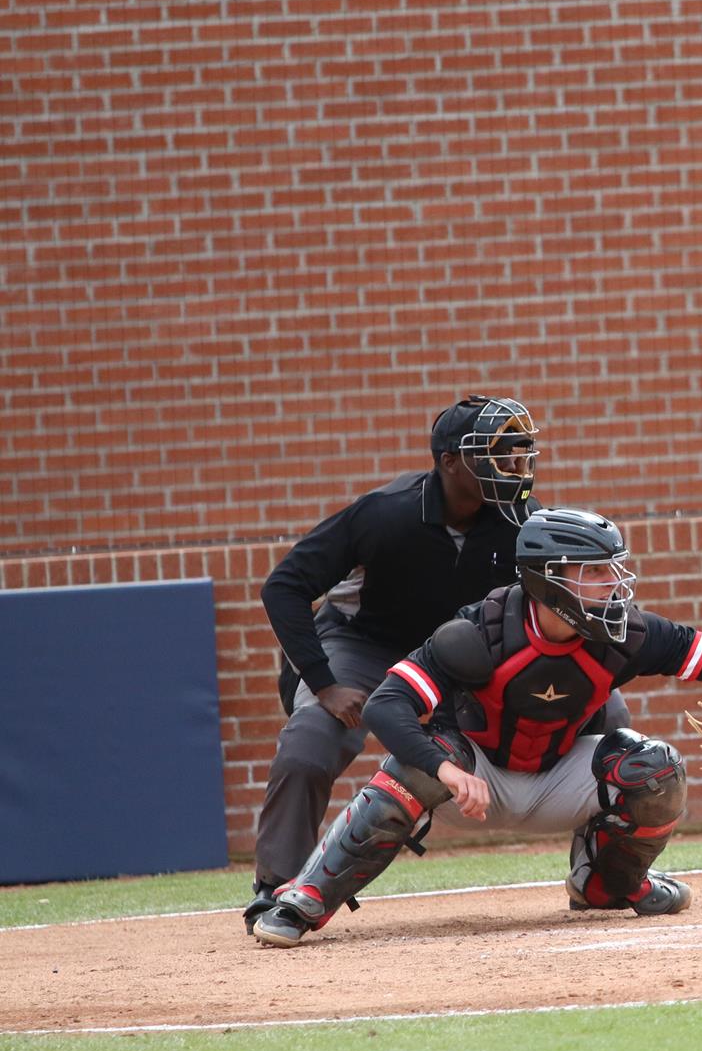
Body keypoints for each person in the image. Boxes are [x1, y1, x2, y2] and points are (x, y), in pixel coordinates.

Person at [251, 507, 702, 947]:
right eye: (595, 572)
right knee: (418, 759)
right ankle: (305, 900)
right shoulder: (478, 632)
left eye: (614, 569)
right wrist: (446, 770)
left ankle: (607, 886)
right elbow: (386, 705)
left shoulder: (629, 632)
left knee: (655, 768)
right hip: (471, 782)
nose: (614, 585)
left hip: (556, 779)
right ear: (549, 579)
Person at [243, 395, 591, 933]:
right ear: (450, 461)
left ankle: (602, 870)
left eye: (521, 456)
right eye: (499, 456)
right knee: (312, 736)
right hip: (366, 646)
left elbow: (563, 603)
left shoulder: (526, 521)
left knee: (602, 708)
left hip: (467, 652)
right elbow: (284, 586)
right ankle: (277, 888)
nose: (516, 470)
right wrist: (325, 683)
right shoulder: (386, 513)